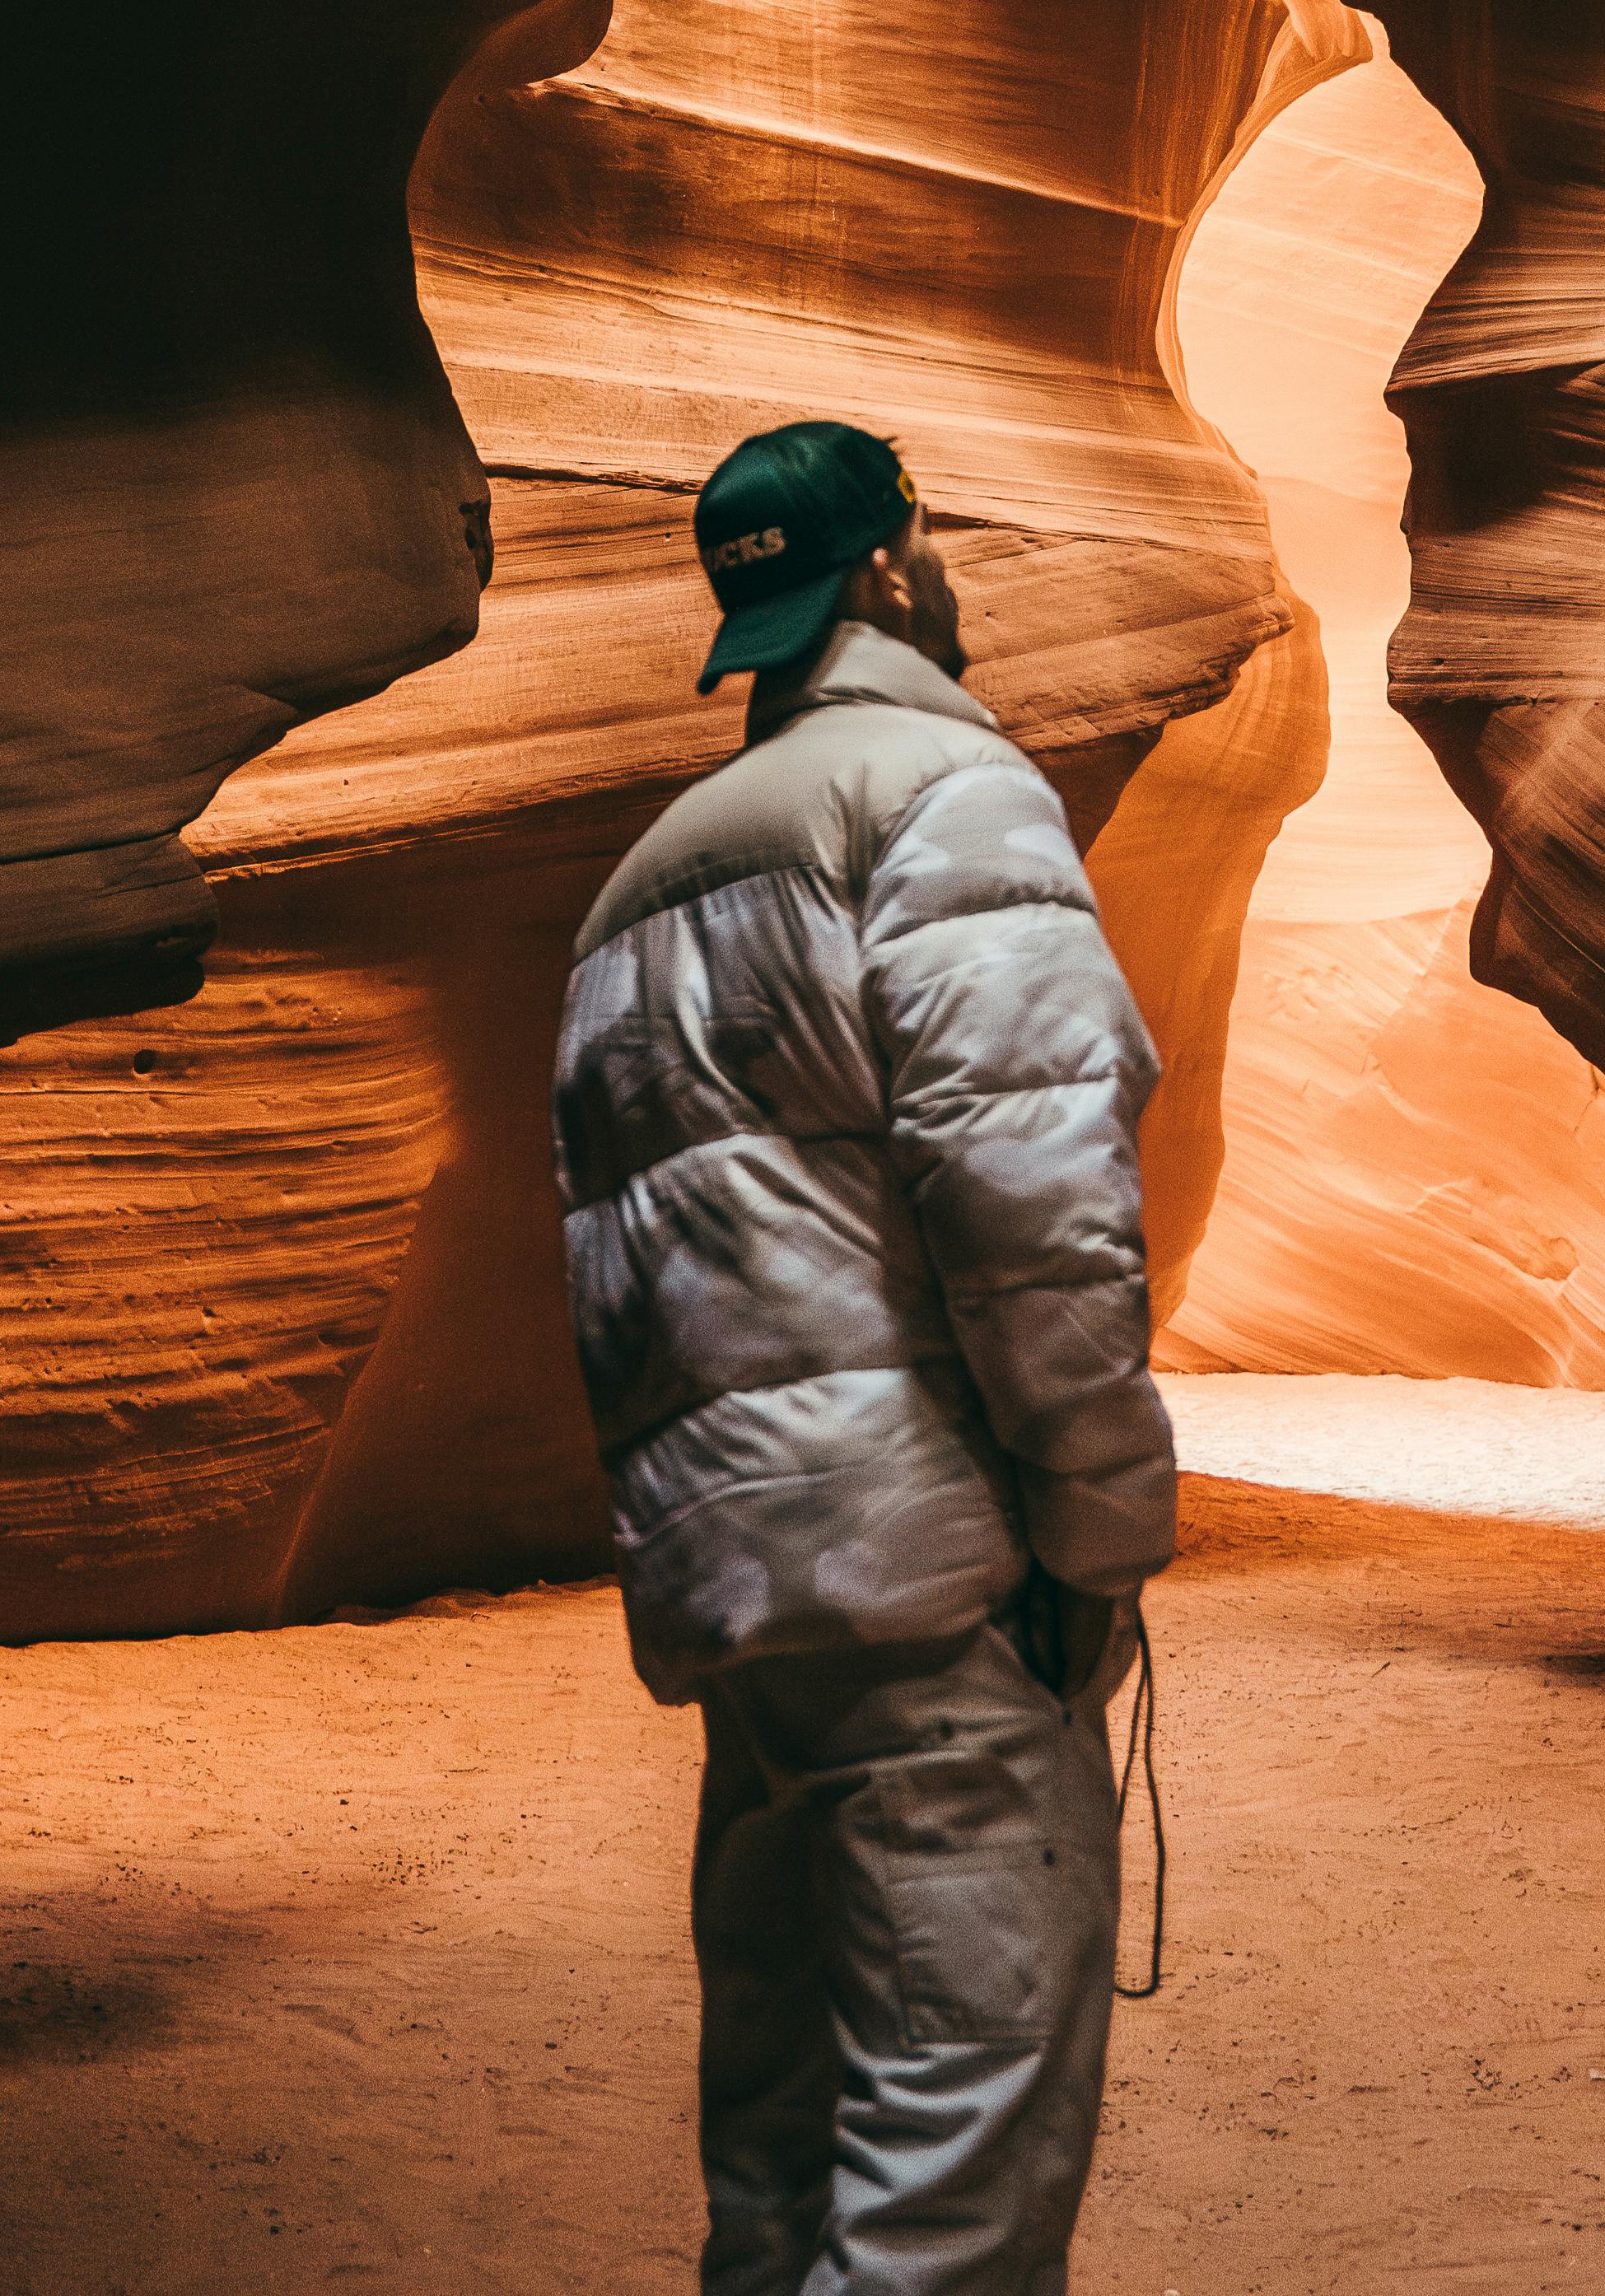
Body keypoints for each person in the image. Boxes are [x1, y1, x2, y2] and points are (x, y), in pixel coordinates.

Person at [552, 414, 1173, 2294]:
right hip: (938, 1604)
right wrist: (1096, 1535)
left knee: (781, 2166)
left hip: (748, 1610)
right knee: (944, 2190)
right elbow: (1031, 1203)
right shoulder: (940, 800)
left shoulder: (640, 880)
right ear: (895, 570)